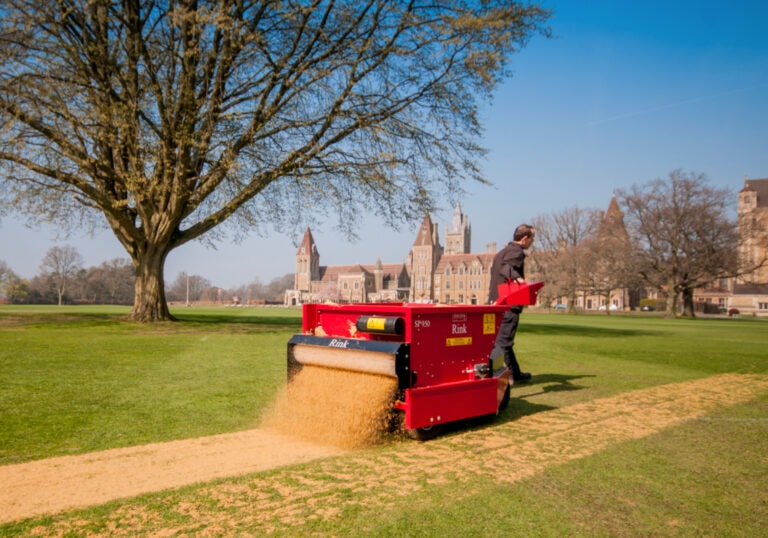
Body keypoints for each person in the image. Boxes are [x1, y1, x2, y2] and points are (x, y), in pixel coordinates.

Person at [488, 223, 535, 383]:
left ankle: (515, 373)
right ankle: (497, 377)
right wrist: (519, 279)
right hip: (508, 304)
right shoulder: (516, 251)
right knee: (503, 342)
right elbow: (506, 267)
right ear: (524, 239)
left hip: (495, 303)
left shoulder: (501, 252)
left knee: (503, 340)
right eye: (532, 238)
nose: (532, 242)